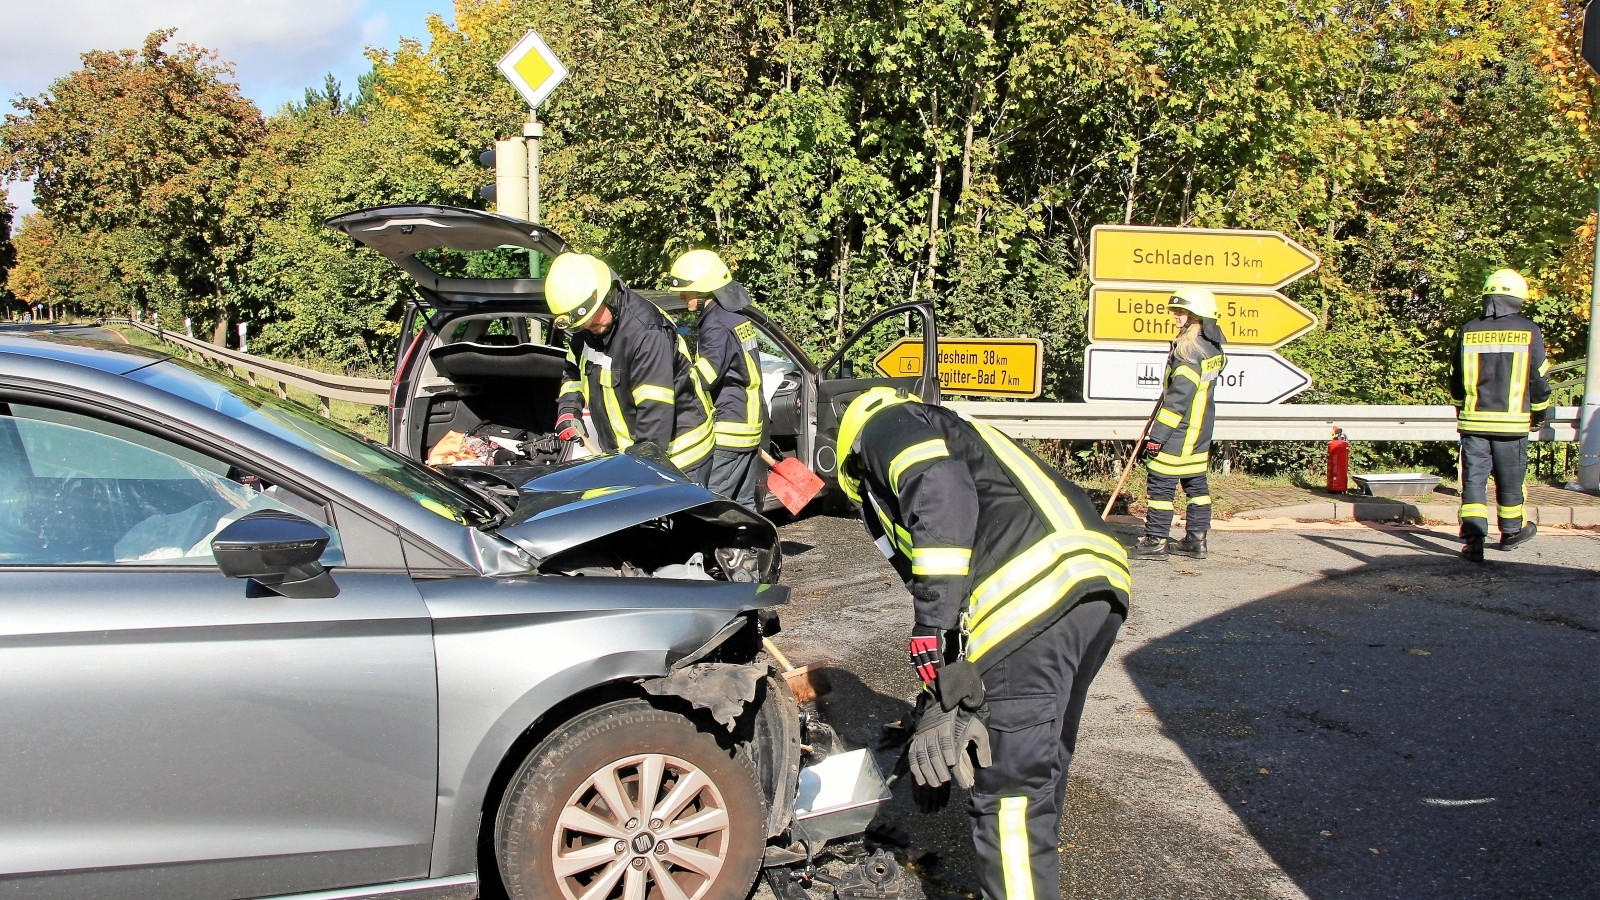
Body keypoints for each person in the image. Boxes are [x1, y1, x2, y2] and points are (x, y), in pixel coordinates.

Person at [836, 387, 1130, 900]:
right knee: (1042, 759)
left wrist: (930, 622)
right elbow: (962, 559)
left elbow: (940, 492)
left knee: (1009, 795)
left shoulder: (884, 425)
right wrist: (940, 699)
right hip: (1092, 591)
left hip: (1027, 595)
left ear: (852, 457)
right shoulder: (960, 431)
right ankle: (1033, 874)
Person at [546, 252, 715, 484]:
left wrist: (639, 470)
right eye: (580, 323)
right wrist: (568, 410)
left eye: (592, 317)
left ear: (609, 294)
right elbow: (573, 374)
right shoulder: (587, 328)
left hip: (678, 459)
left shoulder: (647, 333)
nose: (588, 325)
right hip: (630, 457)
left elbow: (654, 414)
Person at [1449, 268, 1551, 563]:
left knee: (1474, 481)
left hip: (1474, 421)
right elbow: (1538, 379)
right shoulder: (1528, 330)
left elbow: (1455, 378)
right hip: (1512, 422)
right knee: (1510, 480)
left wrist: (1460, 407)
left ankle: (1474, 540)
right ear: (1517, 298)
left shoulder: (1469, 330)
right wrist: (1539, 412)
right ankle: (1511, 532)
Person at [666, 249, 769, 512]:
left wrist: (669, 379)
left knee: (712, 507)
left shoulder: (715, 325)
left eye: (686, 292)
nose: (682, 298)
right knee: (744, 506)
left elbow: (705, 377)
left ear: (704, 291)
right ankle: (754, 552)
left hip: (729, 430)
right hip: (748, 425)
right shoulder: (735, 317)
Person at [1132, 287, 1227, 561]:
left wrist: (1156, 437)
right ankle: (1196, 541)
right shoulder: (1211, 348)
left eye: (1181, 312)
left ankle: (1156, 540)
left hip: (1178, 435)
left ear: (1197, 316)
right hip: (1201, 433)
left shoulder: (1188, 354)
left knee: (1160, 487)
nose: (1175, 316)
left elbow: (1177, 402)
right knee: (1196, 487)